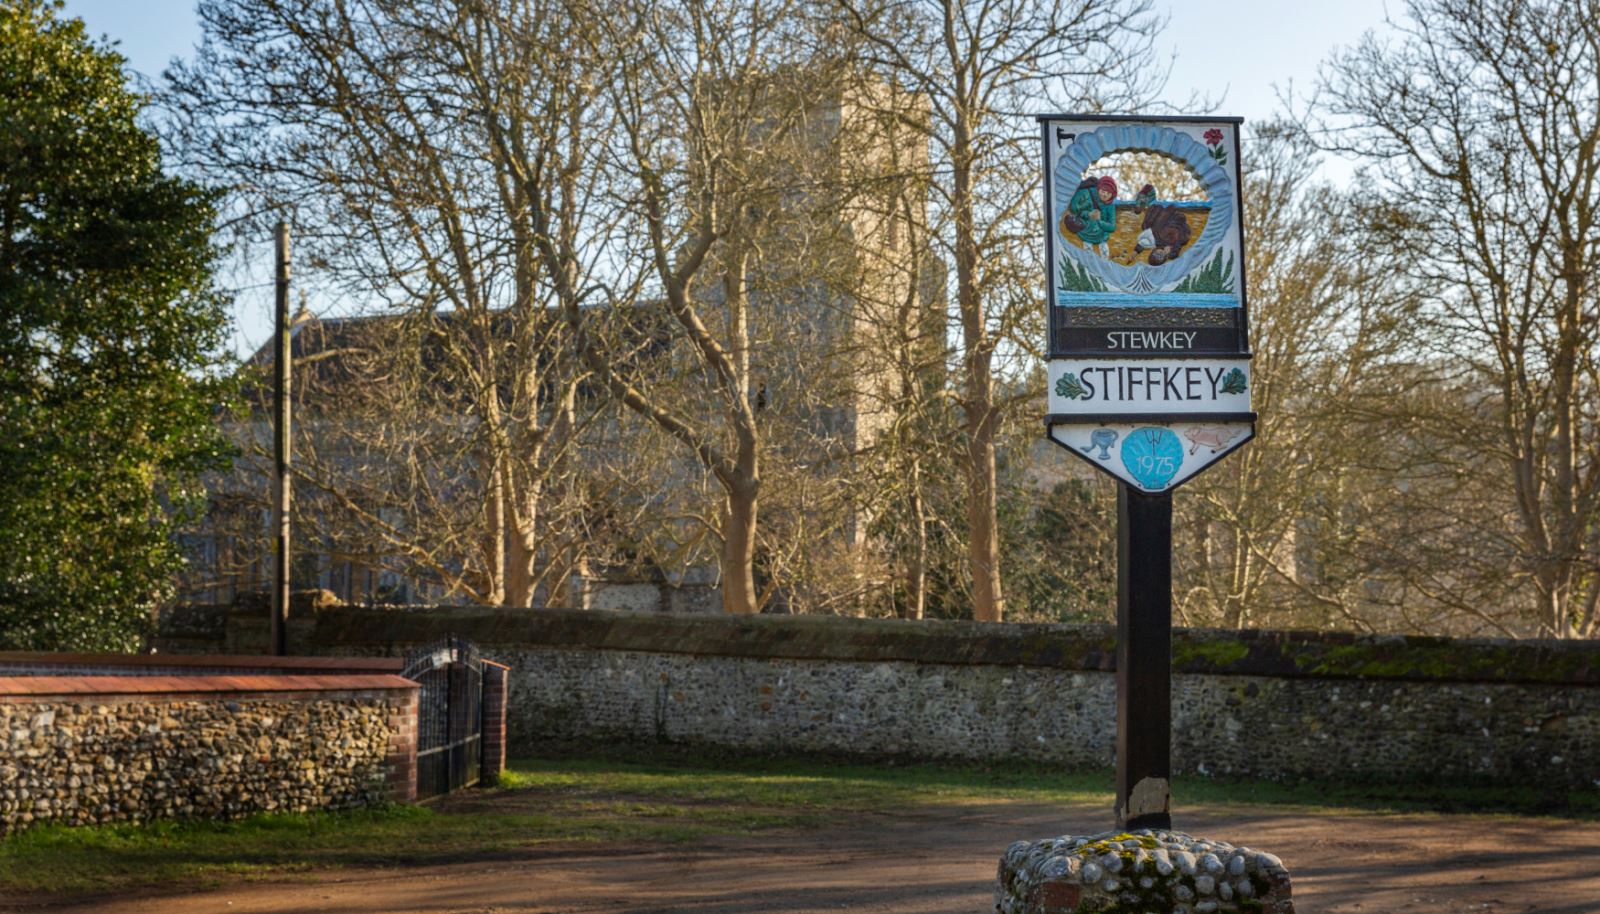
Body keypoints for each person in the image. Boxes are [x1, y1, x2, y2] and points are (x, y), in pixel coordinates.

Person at [1062, 175, 1118, 257]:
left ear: (1112, 195)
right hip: (1086, 232)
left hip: (1101, 236)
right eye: (1103, 191)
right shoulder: (1088, 195)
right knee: (1088, 255)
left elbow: (1112, 227)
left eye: (1108, 194)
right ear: (1099, 189)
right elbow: (1077, 209)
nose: (1105, 195)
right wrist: (1088, 214)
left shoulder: (1110, 206)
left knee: (1104, 254)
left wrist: (1099, 221)